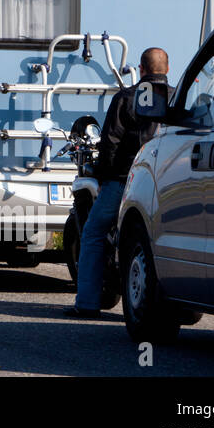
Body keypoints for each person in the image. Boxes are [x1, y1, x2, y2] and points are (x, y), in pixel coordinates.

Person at [64, 47, 170, 318]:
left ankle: (87, 304)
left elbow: (111, 141)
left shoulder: (127, 98)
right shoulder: (179, 98)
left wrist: (103, 175)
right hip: (168, 185)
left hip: (126, 181)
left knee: (93, 233)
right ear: (167, 70)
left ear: (142, 69)